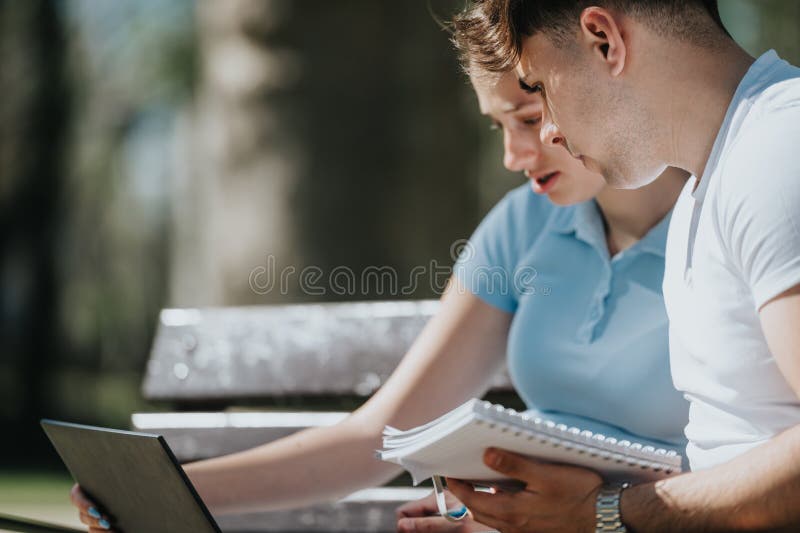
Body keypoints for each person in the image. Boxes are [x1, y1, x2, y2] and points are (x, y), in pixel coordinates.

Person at [68, 27, 692, 533]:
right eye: (498, 126)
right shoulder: (524, 223)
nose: (514, 155)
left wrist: (576, 516)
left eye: (527, 119)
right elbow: (381, 434)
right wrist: (165, 497)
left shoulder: (717, 216)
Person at [433, 1, 800, 532]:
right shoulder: (713, 179)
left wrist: (603, 516)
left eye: (542, 90)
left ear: (604, 39)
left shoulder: (777, 151)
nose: (551, 133)